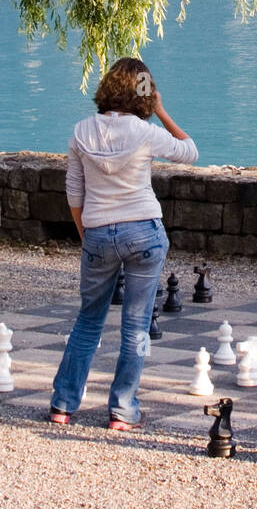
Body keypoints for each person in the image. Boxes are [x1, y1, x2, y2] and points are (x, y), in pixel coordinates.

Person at [49, 56, 198, 430]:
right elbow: (190, 152)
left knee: (88, 321)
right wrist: (161, 111)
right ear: (143, 93)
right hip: (144, 232)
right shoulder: (145, 133)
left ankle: (63, 406)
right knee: (135, 326)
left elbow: (74, 192)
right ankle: (122, 410)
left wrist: (88, 235)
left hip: (98, 232)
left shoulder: (81, 131)